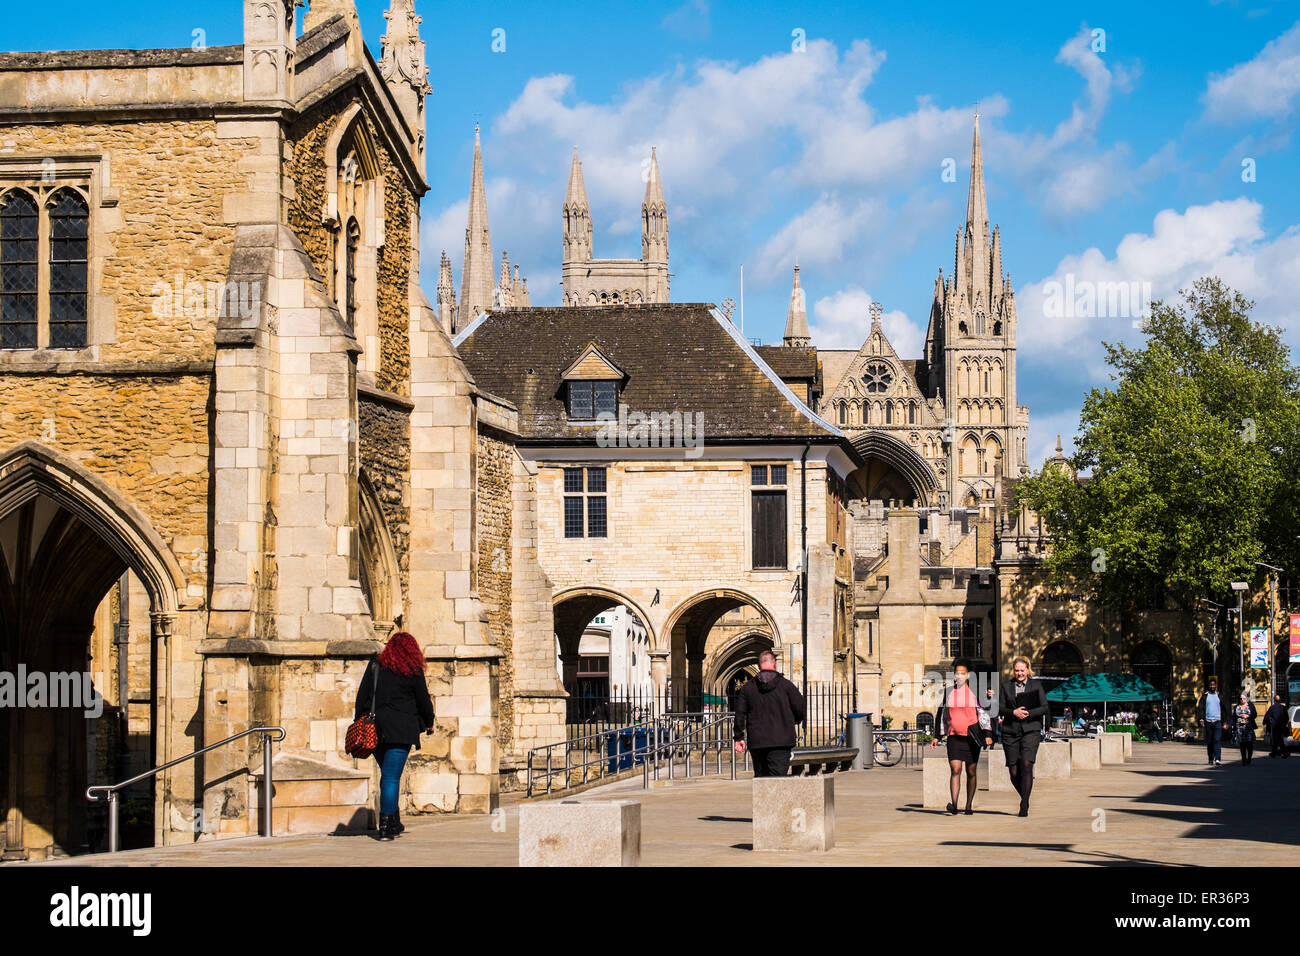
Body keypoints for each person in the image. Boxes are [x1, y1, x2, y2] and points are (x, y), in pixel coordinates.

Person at [354, 631, 435, 841]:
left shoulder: (375, 666)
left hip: (375, 729)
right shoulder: (412, 670)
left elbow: (362, 696)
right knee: (391, 777)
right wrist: (429, 722)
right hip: (401, 730)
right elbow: (423, 700)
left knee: (388, 775)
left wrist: (359, 722)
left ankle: (394, 820)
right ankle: (386, 826)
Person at [930, 660, 993, 815]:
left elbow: (984, 713)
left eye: (962, 673)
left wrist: (988, 734)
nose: (958, 676)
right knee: (955, 769)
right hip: (954, 737)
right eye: (956, 673)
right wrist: (937, 736)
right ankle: (955, 805)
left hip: (971, 737)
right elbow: (941, 713)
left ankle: (969, 805)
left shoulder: (975, 691)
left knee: (971, 771)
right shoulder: (949, 691)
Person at [733, 650, 805, 777]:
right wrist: (793, 720)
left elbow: (740, 713)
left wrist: (738, 737)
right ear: (774, 664)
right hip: (781, 741)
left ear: (759, 665)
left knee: (761, 780)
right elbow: (800, 707)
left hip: (757, 741)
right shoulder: (786, 685)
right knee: (778, 780)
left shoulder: (748, 688)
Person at [998, 656, 1048, 817]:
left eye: (1022, 670)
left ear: (1028, 670)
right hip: (1011, 731)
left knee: (1026, 765)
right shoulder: (1006, 686)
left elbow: (1044, 707)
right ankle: (1024, 796)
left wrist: (1028, 713)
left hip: (1030, 730)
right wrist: (1013, 712)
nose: (1019, 673)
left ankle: (1024, 804)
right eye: (1017, 670)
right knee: (1013, 770)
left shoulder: (1036, 686)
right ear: (1014, 670)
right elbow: (999, 708)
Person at [1196, 678, 1226, 767]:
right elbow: (1200, 708)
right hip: (1208, 721)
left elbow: (1224, 709)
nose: (1212, 686)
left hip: (1218, 721)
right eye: (1211, 685)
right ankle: (1210, 758)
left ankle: (1217, 758)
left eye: (1214, 685)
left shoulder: (1219, 695)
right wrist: (1201, 719)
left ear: (1216, 686)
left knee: (1217, 740)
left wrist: (1225, 721)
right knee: (1210, 741)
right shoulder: (1205, 696)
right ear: (1209, 686)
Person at [1233, 693, 1258, 765]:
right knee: (1242, 744)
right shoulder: (1236, 707)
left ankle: (1249, 758)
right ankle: (1243, 759)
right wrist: (1231, 725)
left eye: (1243, 698)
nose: (1242, 700)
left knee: (1249, 743)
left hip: (1249, 727)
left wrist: (1248, 716)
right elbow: (1234, 717)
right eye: (1240, 698)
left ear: (1246, 698)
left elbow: (1255, 714)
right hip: (1239, 728)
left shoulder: (1250, 706)